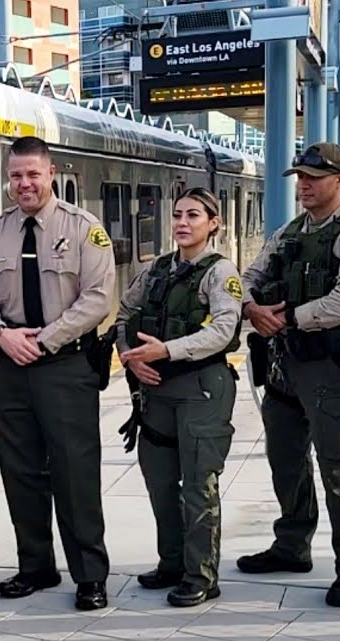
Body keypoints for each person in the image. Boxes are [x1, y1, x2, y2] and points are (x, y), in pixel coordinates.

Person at [0, 136, 115, 612]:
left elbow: (98, 297)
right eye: (15, 176)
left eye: (33, 174)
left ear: (51, 174)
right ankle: (35, 566)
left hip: (66, 366)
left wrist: (45, 338)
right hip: (11, 366)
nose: (24, 184)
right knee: (20, 471)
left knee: (75, 472)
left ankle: (90, 575)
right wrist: (1, 334)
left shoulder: (86, 229)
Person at [236, 142, 340, 609]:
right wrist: (250, 308)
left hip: (330, 368)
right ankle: (292, 544)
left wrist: (288, 318)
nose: (303, 185)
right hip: (284, 365)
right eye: (299, 176)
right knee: (285, 459)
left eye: (314, 177)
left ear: (339, 180)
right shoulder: (289, 232)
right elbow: (249, 276)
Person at [114, 188, 242, 608]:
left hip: (202, 388)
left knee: (198, 485)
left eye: (194, 215)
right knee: (160, 481)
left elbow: (223, 330)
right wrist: (130, 360)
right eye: (178, 215)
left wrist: (166, 350)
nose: (183, 223)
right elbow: (124, 315)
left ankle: (201, 574)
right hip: (155, 389)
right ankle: (170, 562)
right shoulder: (156, 270)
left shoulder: (220, 273)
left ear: (213, 223)